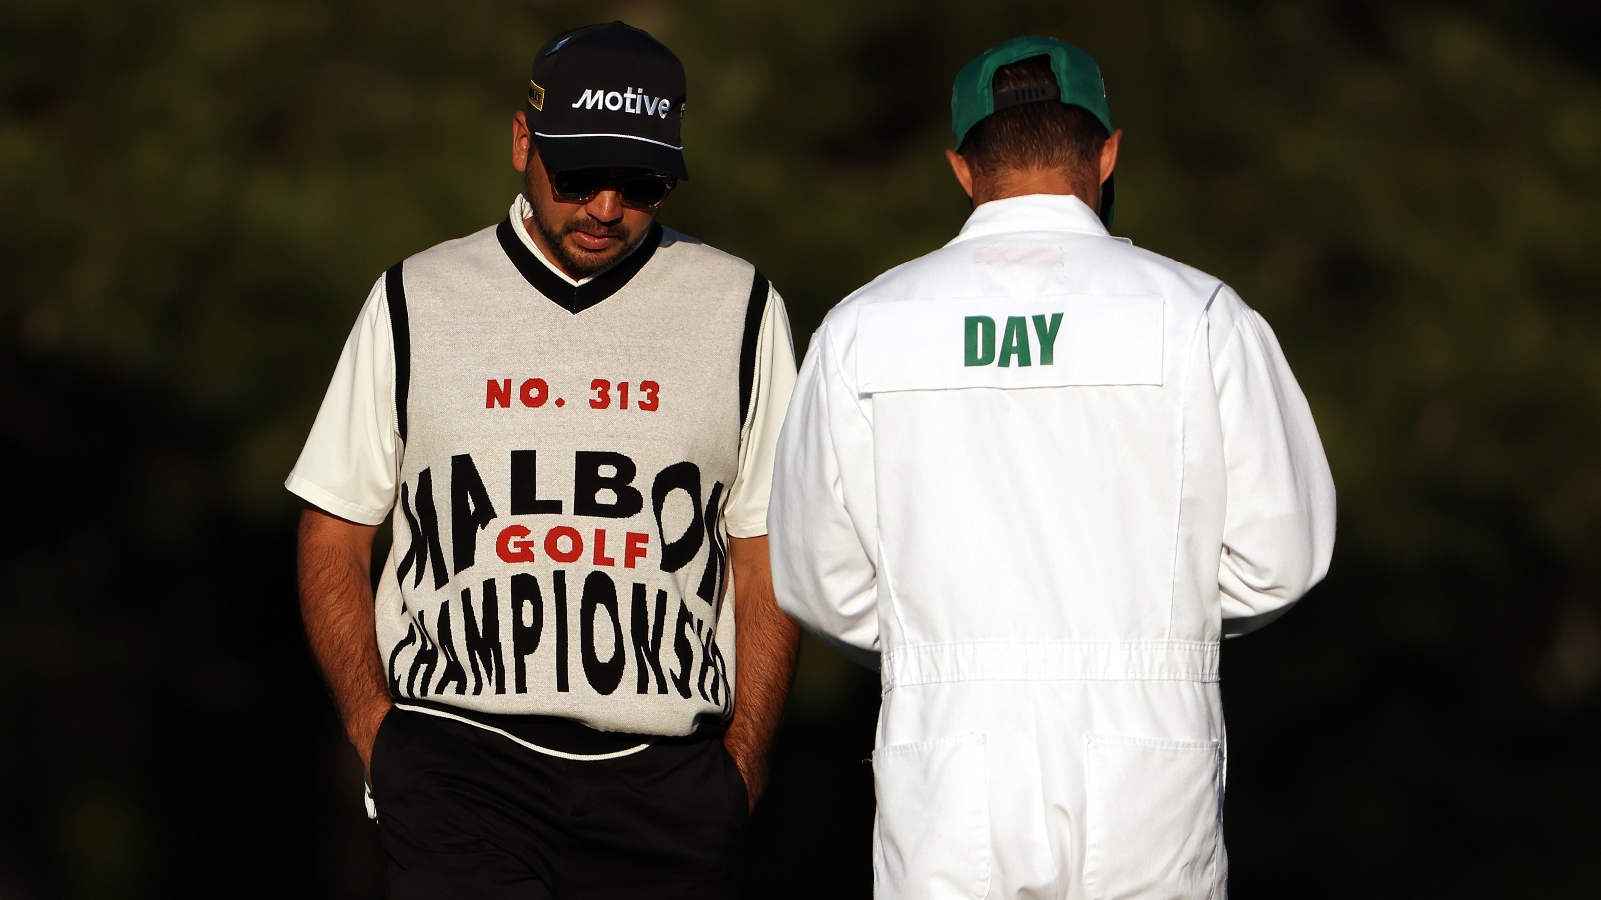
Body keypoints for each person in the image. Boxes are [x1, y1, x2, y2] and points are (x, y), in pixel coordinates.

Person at [768, 35, 1335, 900]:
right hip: (1149, 749)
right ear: (1106, 153)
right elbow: (1282, 556)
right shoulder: (1200, 314)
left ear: (961, 169)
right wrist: (1154, 625)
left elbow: (816, 577)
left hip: (945, 751)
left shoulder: (861, 327)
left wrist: (941, 639)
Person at [288, 21, 800, 899]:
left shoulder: (741, 306)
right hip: (459, 766)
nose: (606, 208)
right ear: (523, 143)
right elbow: (334, 530)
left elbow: (765, 554)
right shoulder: (417, 296)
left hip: (667, 785)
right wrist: (381, 740)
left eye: (641, 184)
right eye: (579, 176)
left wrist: (742, 764)